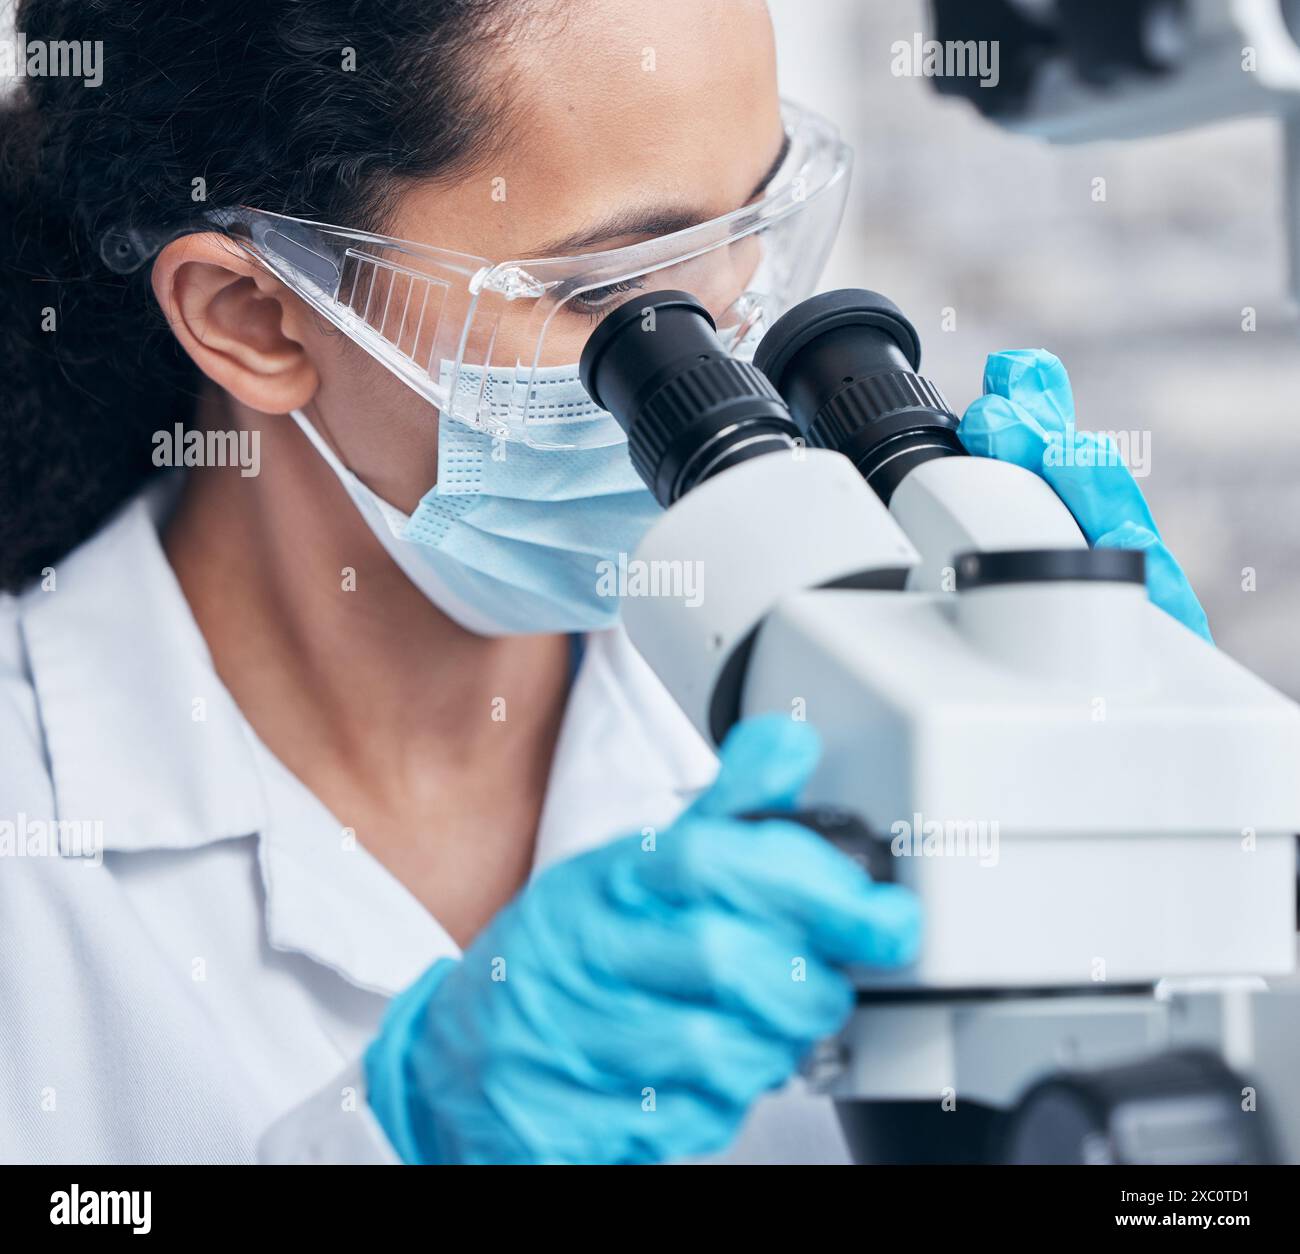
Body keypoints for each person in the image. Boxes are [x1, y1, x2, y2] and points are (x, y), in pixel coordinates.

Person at [0, 0, 1209, 1165]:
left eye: (753, 232)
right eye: (611, 291)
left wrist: (1185, 913)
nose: (733, 344)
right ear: (255, 317)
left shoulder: (866, 692)